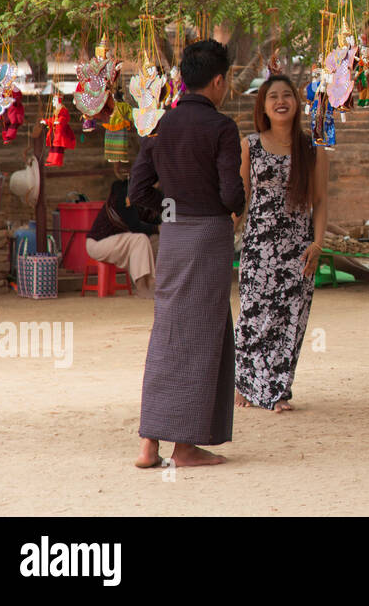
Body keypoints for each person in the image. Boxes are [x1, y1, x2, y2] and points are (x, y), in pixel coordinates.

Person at [130, 39, 245, 469]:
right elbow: (231, 192)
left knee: (169, 331)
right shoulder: (221, 128)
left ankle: (149, 444)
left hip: (174, 236)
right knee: (200, 335)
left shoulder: (162, 124)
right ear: (218, 81)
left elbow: (138, 191)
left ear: (183, 79)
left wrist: (170, 211)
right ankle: (185, 448)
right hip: (208, 236)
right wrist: (228, 210)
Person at [235, 75, 328, 413]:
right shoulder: (250, 145)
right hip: (258, 247)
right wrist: (226, 230)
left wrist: (317, 244)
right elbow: (241, 198)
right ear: (263, 106)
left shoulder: (311, 148)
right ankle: (245, 385)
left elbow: (320, 200)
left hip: (298, 249)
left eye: (286, 95)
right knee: (253, 317)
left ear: (296, 103)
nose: (280, 101)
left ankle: (277, 391)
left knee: (289, 320)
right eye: (272, 96)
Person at [85, 162, 160, 297]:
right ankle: (141, 286)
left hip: (119, 242)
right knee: (140, 239)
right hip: (98, 243)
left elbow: (154, 221)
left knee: (156, 241)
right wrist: (158, 228)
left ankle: (154, 283)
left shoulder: (147, 200)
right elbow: (135, 226)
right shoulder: (122, 194)